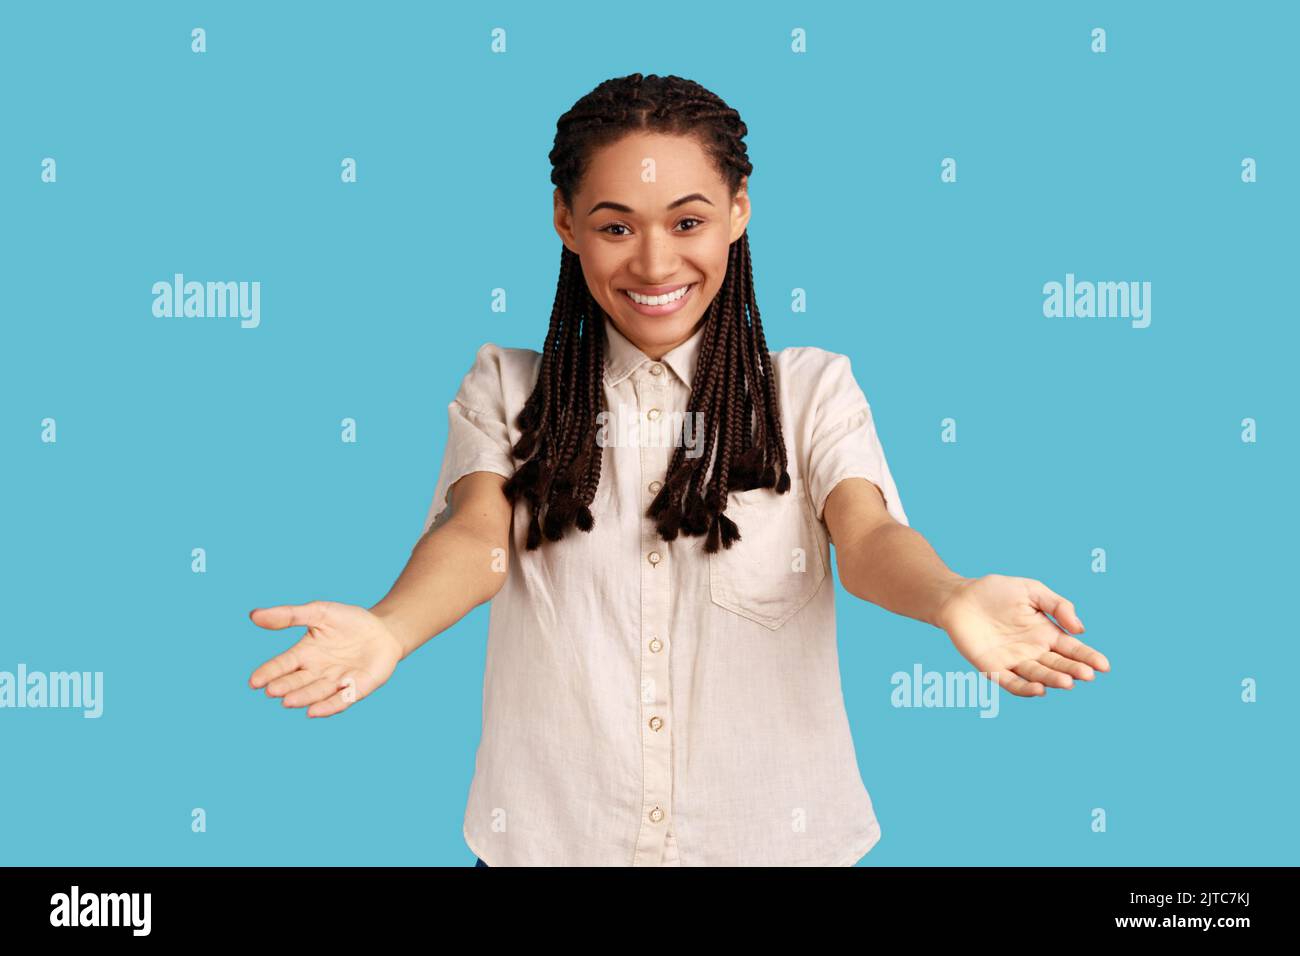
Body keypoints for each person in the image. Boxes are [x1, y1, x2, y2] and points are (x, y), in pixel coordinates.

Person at [247, 73, 1110, 867]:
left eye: (688, 222)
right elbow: (476, 539)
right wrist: (391, 628)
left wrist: (952, 596)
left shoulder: (809, 391)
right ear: (563, 221)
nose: (655, 265)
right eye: (615, 226)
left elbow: (871, 537)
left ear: (739, 210)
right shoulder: (507, 389)